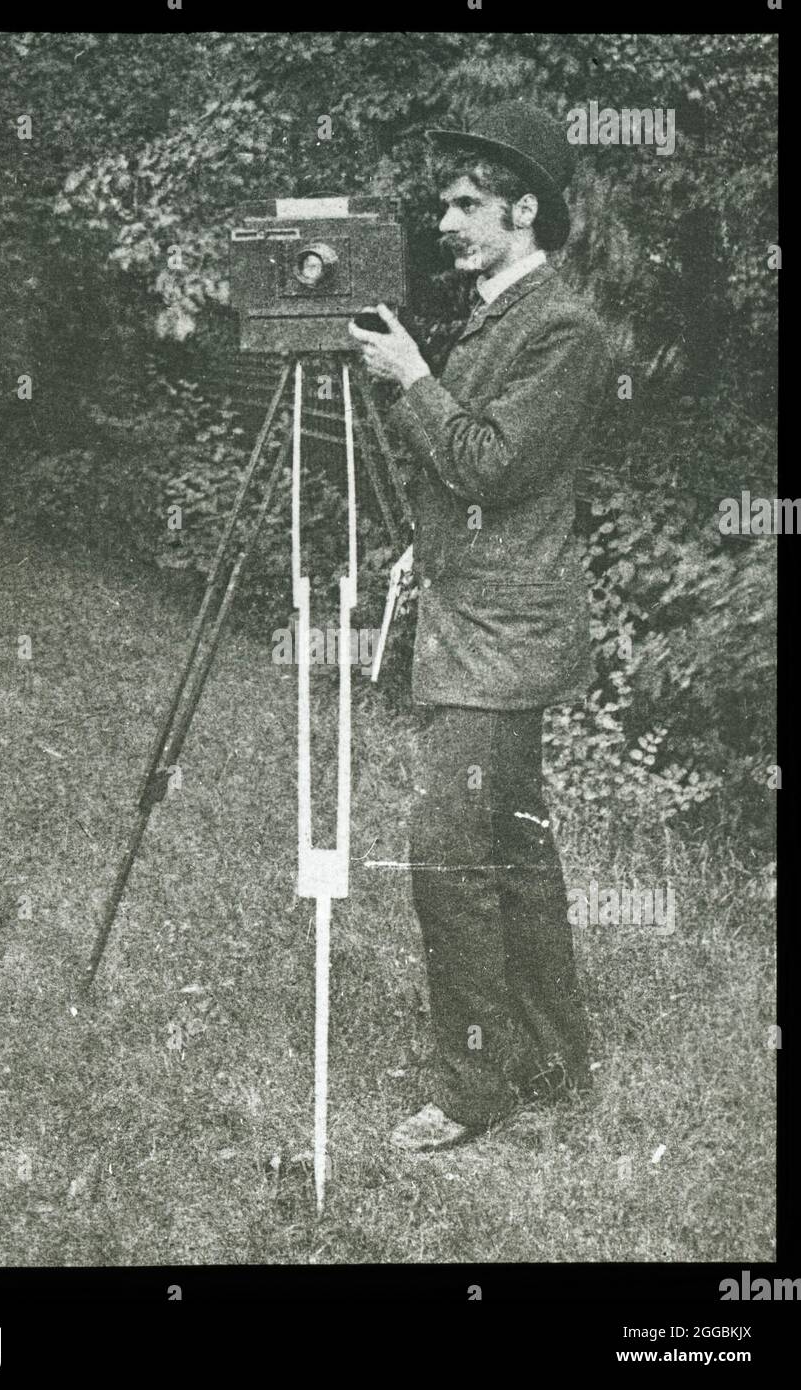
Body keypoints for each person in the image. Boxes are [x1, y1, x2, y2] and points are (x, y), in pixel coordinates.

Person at [349, 101, 610, 1152]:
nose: (446, 221)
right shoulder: (503, 311)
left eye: (466, 204)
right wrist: (428, 541)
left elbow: (490, 463)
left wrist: (412, 378)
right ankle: (553, 1061)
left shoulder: (564, 327)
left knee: (449, 855)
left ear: (525, 209)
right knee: (510, 852)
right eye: (446, 203)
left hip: (500, 644)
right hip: (479, 622)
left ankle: (475, 1088)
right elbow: (478, 480)